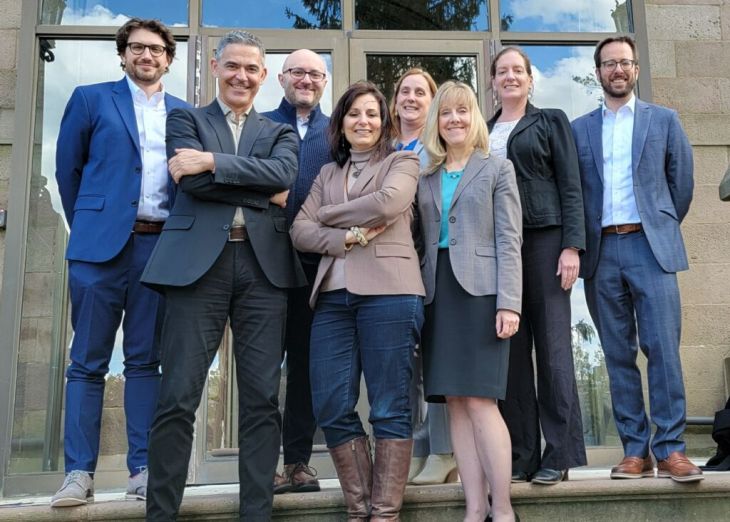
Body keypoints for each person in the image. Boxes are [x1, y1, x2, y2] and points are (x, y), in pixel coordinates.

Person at [141, 30, 306, 521]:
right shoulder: (185, 118)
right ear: (215, 67)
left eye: (252, 68)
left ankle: (256, 513)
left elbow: (284, 177)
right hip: (197, 271)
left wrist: (214, 162)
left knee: (260, 401)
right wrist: (257, 188)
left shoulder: (278, 131)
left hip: (263, 272)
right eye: (233, 65)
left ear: (262, 76)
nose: (242, 76)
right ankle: (161, 514)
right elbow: (190, 183)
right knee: (177, 397)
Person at [51, 18, 188, 507]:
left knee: (144, 362)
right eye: (136, 48)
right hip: (99, 252)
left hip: (157, 249)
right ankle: (78, 474)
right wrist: (93, 224)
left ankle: (143, 469)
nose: (146, 55)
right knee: (86, 364)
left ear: (169, 58)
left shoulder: (182, 113)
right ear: (123, 54)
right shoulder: (91, 99)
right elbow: (68, 170)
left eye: (155, 49)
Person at [290, 81, 424, 521]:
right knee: (330, 403)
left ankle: (383, 515)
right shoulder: (328, 173)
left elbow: (389, 205)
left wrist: (325, 216)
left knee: (388, 405)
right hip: (332, 297)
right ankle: (361, 508)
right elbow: (299, 231)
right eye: (353, 114)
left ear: (383, 122)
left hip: (390, 291)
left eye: (371, 114)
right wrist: (346, 234)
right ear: (341, 123)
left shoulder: (401, 160)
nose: (362, 121)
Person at [572, 35, 701, 483]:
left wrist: (658, 224)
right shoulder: (579, 128)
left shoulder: (664, 120)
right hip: (602, 252)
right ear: (598, 73)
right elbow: (576, 192)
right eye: (609, 64)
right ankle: (634, 451)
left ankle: (671, 449)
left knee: (663, 349)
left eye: (624, 62)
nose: (617, 70)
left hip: (651, 247)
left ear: (636, 69)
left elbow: (680, 185)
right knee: (617, 354)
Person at [418, 81, 522, 522]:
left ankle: (503, 508)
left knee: (481, 400)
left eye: (462, 111)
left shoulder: (497, 168)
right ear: (436, 122)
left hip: (481, 293)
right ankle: (474, 508)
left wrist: (509, 302)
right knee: (455, 403)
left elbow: (509, 238)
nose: (454, 120)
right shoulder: (423, 174)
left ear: (474, 117)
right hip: (436, 293)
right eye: (445, 113)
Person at [487, 47, 587, 485]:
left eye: (517, 71)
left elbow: (571, 184)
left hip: (545, 242)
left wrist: (573, 246)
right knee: (510, 355)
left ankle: (560, 452)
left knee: (552, 349)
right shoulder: (482, 129)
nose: (509, 77)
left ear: (530, 79)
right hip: (497, 250)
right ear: (491, 81)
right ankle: (522, 454)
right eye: (502, 71)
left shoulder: (550, 122)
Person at [262, 49, 332, 494]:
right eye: (297, 72)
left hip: (316, 267)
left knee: (305, 370)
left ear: (324, 81)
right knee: (262, 369)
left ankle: (299, 462)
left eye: (314, 73)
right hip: (263, 262)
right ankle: (262, 463)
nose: (305, 79)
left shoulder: (338, 131)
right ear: (281, 78)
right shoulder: (261, 124)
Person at [389, 68, 456, 485]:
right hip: (390, 270)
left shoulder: (439, 152)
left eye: (420, 92)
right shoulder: (383, 147)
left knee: (437, 359)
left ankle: (444, 450)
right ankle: (414, 446)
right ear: (394, 100)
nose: (411, 98)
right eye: (404, 91)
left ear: (431, 103)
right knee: (405, 365)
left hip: (430, 266)